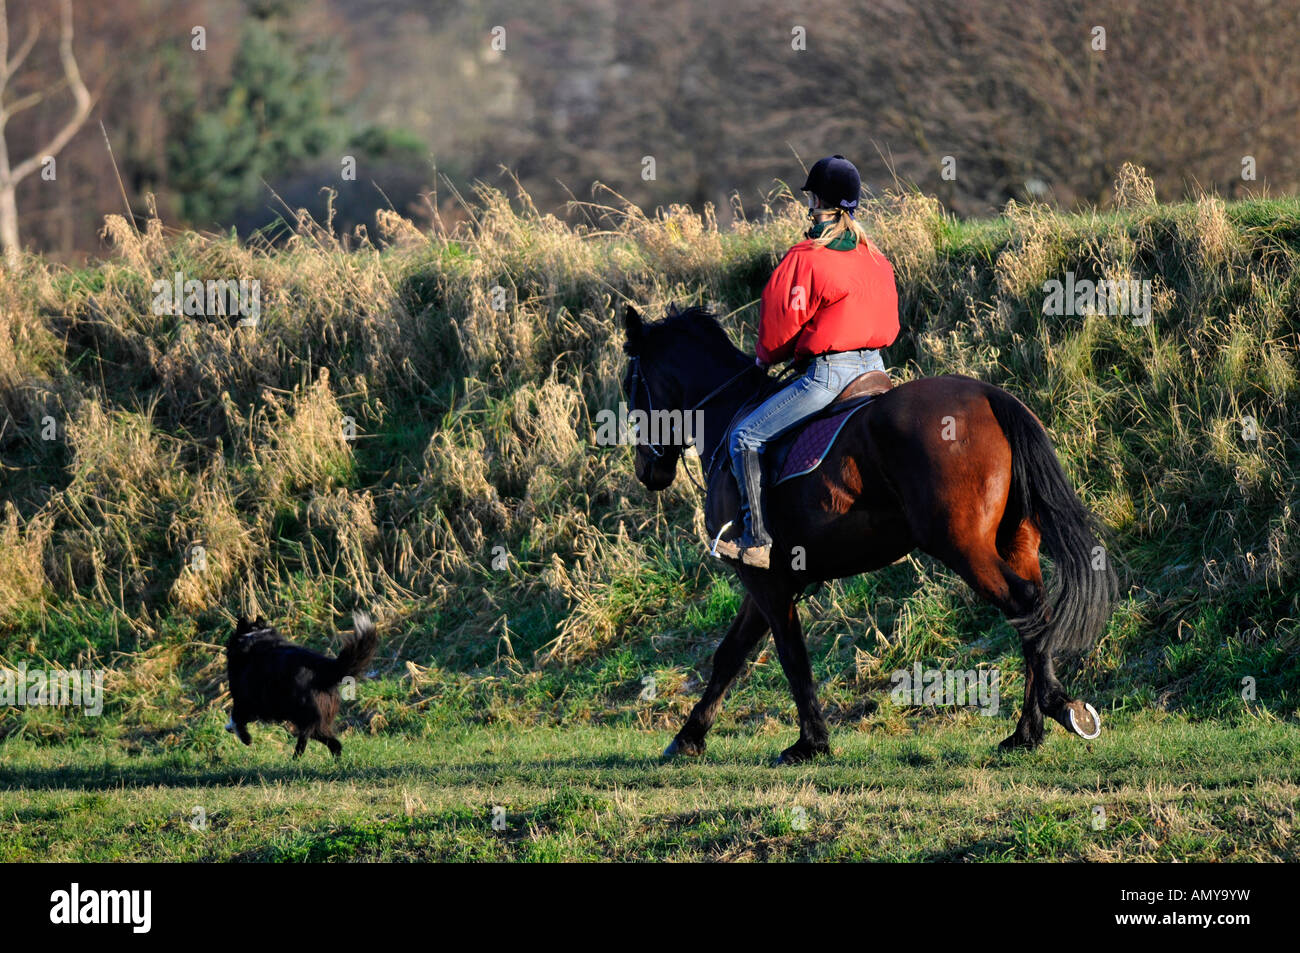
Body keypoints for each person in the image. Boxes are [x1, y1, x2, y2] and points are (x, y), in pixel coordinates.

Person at [714, 155, 900, 569]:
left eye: (812, 199)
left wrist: (765, 358)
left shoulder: (806, 257)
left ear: (819, 201)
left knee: (744, 437)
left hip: (830, 377)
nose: (810, 206)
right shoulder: (876, 257)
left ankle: (756, 540)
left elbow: (779, 327)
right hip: (876, 372)